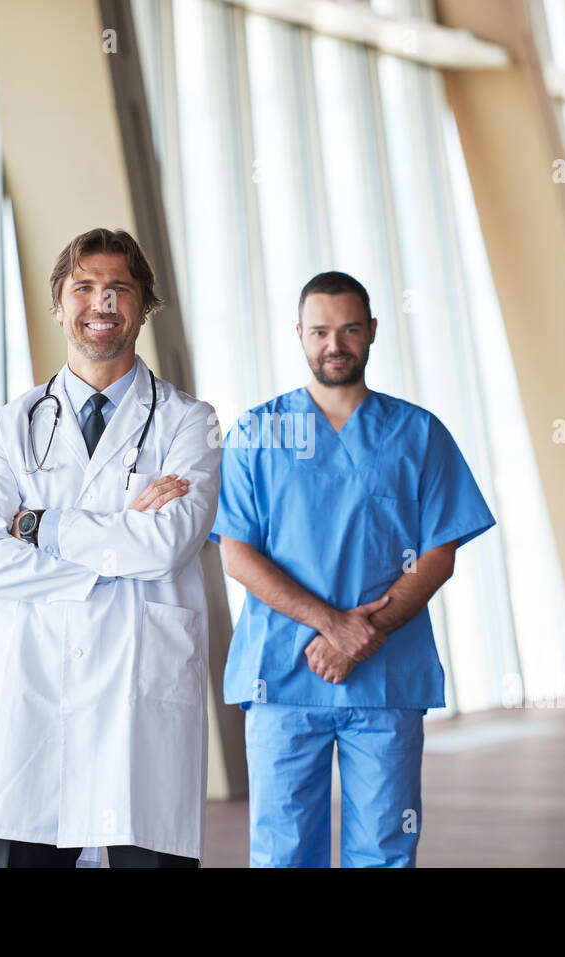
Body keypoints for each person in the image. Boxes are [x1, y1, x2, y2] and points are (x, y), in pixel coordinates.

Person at [0, 227, 221, 867]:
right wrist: (118, 539)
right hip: (36, 694)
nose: (101, 304)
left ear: (144, 305)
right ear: (58, 301)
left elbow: (167, 545)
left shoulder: (190, 421)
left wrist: (39, 526)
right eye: (85, 287)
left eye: (119, 289)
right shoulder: (9, 426)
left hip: (142, 696)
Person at [210, 271, 496, 867]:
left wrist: (366, 634)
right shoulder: (257, 433)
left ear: (371, 332)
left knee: (386, 848)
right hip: (282, 676)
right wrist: (334, 626)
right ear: (300, 336)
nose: (333, 343)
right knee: (283, 852)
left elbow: (439, 554)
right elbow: (237, 552)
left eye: (347, 329)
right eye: (319, 331)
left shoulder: (419, 434)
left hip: (384, 677)